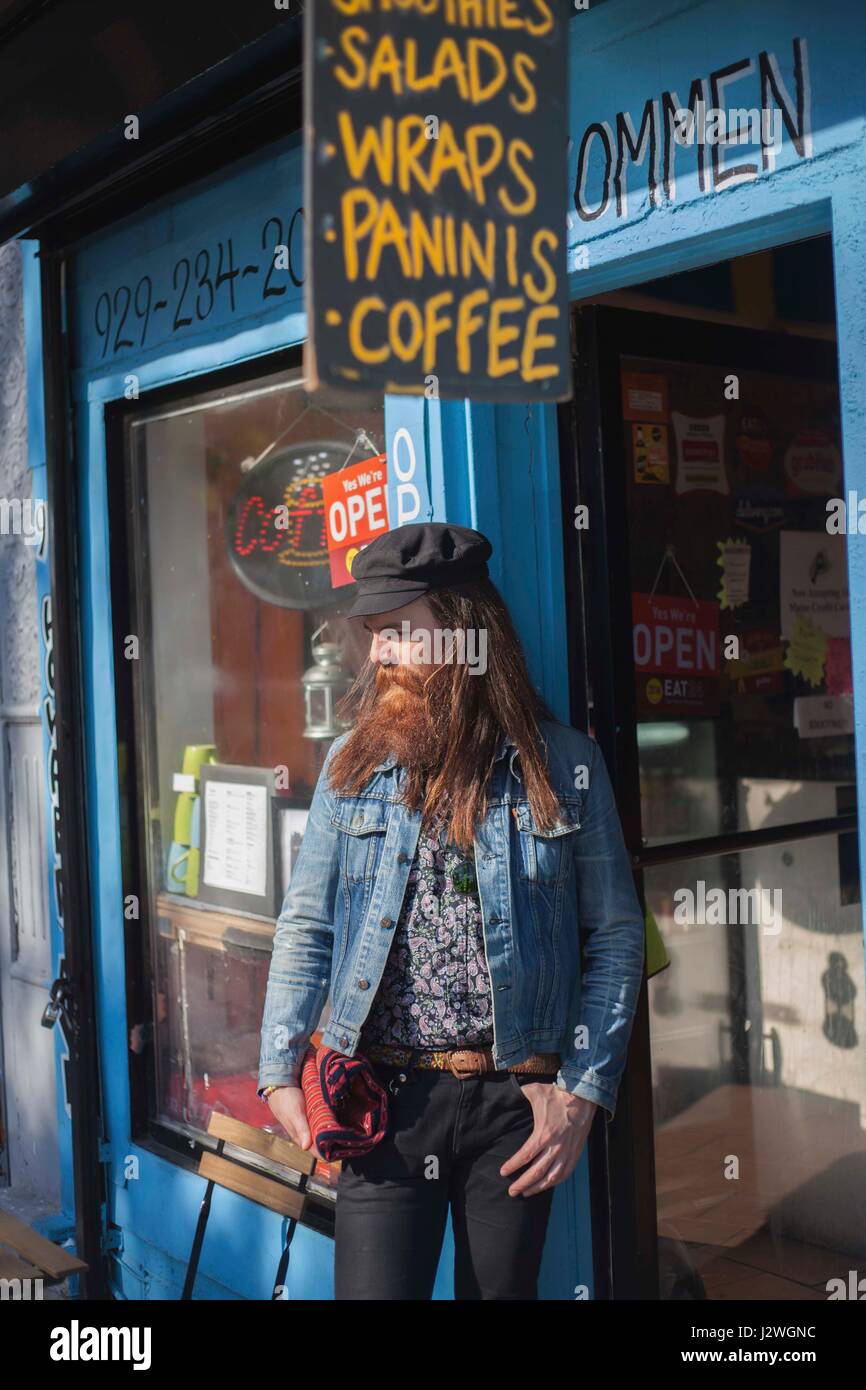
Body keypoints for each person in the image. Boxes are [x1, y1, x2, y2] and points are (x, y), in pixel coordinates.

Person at [257, 521, 645, 1300]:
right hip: (383, 1104)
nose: (380, 655)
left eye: (398, 631)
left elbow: (616, 935)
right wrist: (278, 1068)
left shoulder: (563, 764)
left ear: (465, 632)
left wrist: (581, 1094)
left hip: (514, 1107)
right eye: (374, 634)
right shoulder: (351, 764)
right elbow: (308, 925)